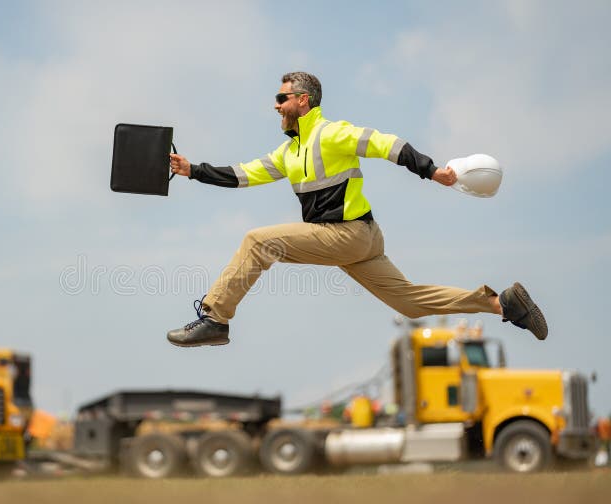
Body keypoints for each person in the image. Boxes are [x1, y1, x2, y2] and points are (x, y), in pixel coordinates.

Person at [166, 72, 547, 347]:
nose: (276, 105)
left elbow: (387, 144)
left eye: (282, 98)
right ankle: (502, 304)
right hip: (362, 241)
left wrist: (433, 171)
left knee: (257, 241)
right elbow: (243, 174)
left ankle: (216, 318)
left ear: (303, 100)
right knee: (409, 304)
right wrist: (192, 169)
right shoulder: (288, 152)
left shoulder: (331, 133)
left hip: (345, 235)